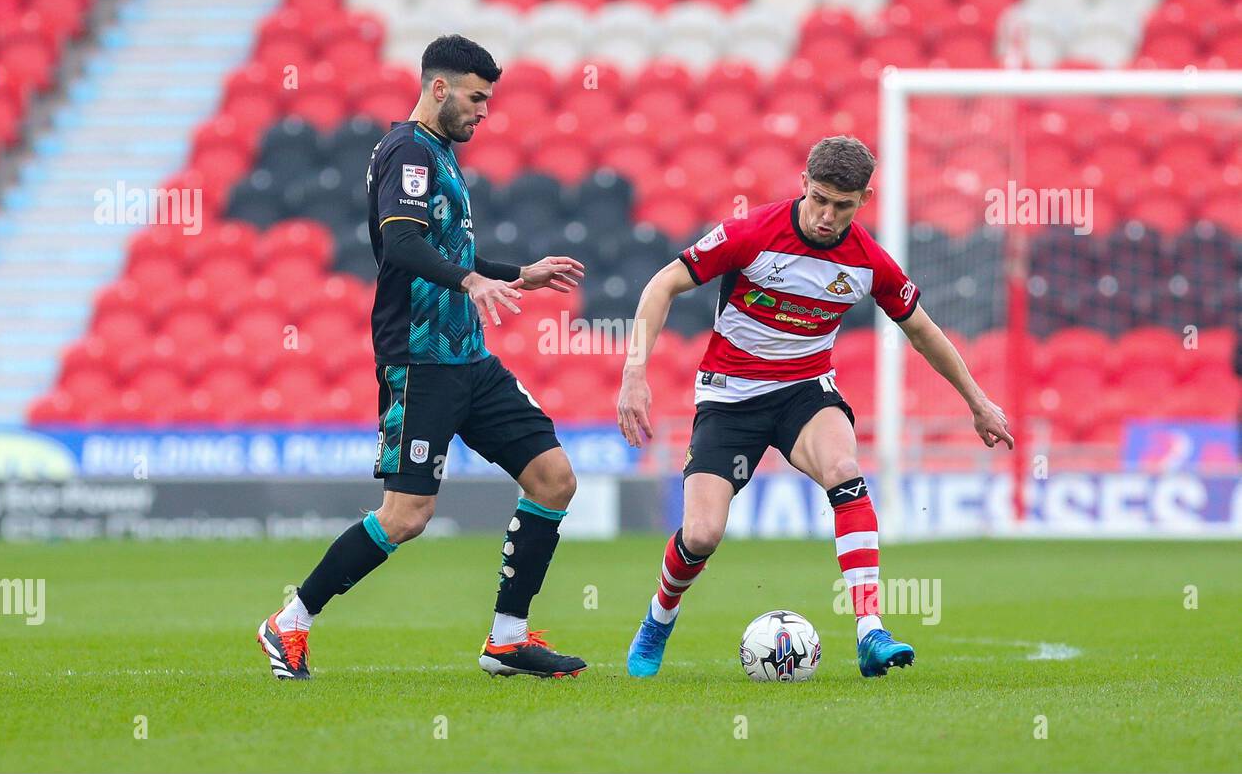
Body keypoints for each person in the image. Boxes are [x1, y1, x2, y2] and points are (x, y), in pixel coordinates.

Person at [616, 135, 1014, 678]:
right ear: (803, 184)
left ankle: (870, 631)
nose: (827, 216)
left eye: (842, 206)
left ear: (864, 200)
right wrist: (634, 372)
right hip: (729, 397)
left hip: (805, 392)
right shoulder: (751, 233)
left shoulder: (869, 263)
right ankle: (659, 617)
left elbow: (923, 332)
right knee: (702, 534)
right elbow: (663, 284)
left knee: (845, 470)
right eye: (819, 199)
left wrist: (978, 402)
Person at [258, 35, 588, 680]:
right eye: (475, 97)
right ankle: (290, 620)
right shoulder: (407, 150)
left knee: (553, 479)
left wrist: (520, 273)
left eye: (488, 100)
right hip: (421, 358)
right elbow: (402, 247)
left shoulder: (436, 153)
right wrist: (472, 284)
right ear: (439, 88)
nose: (483, 111)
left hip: (469, 357)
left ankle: (507, 639)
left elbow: (449, 253)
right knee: (407, 516)